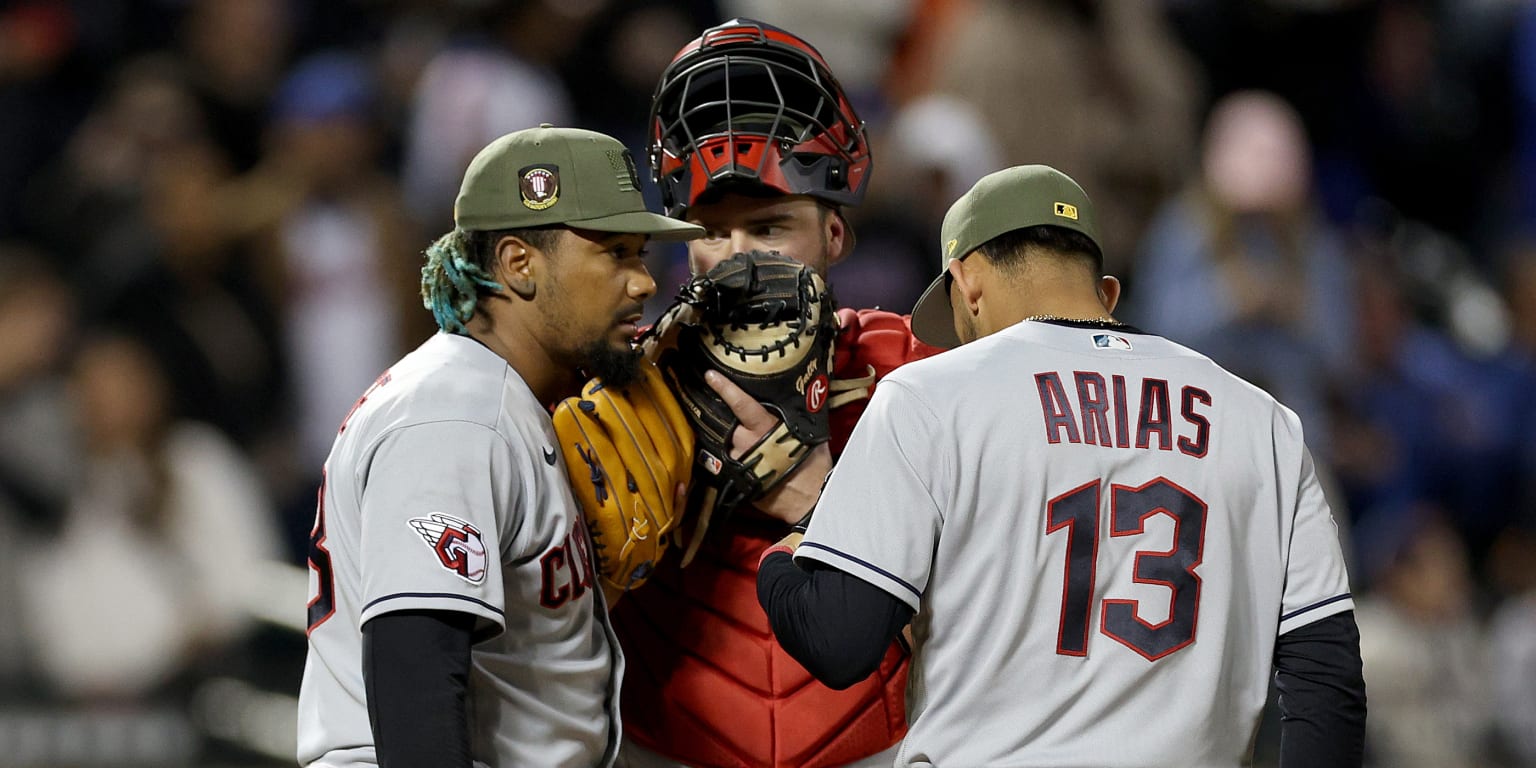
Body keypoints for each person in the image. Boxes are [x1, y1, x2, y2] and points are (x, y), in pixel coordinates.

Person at [756, 165, 1368, 767]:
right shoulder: (1264, 423)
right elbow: (1327, 684)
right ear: (1106, 292)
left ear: (966, 282)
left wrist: (781, 558)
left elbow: (839, 642)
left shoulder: (929, 395)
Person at [296, 125, 702, 768]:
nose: (643, 282)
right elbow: (416, 680)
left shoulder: (503, 405)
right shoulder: (453, 417)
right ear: (519, 264)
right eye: (616, 253)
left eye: (641, 254)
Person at [608, 19, 941, 768]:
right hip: (660, 747)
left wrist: (822, 501)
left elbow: (1001, 603)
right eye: (709, 230)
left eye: (767, 228)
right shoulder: (623, 384)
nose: (735, 259)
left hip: (883, 748)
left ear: (835, 236)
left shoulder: (918, 374)